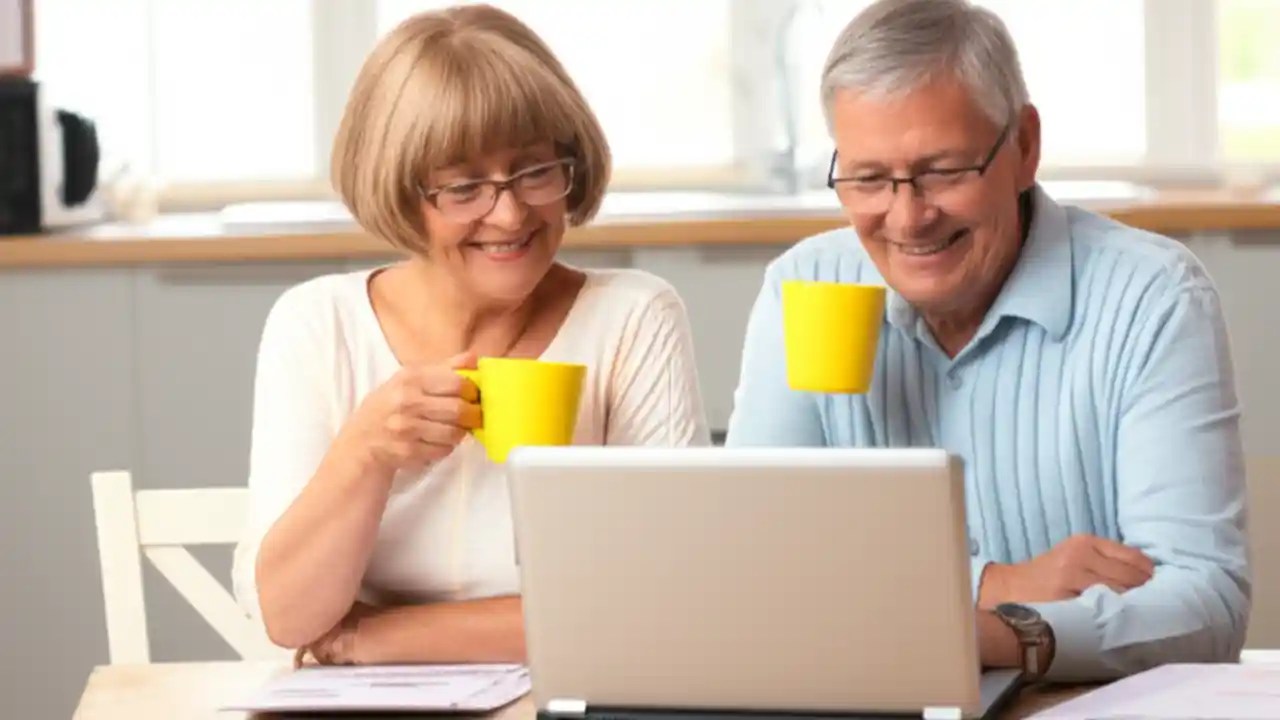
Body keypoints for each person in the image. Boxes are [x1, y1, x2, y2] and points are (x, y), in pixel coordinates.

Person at [726, 0, 1249, 682]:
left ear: (1024, 146)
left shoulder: (1153, 297)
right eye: (869, 178)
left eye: (943, 170)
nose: (908, 217)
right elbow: (754, 565)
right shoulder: (804, 285)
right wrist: (997, 585)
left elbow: (1206, 604)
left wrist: (1003, 637)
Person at [232, 4, 709, 666]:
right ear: (401, 193)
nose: (509, 214)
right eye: (463, 188)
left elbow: (662, 602)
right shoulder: (318, 325)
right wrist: (365, 453)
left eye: (535, 170)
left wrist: (366, 636)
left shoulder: (632, 318)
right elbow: (288, 615)